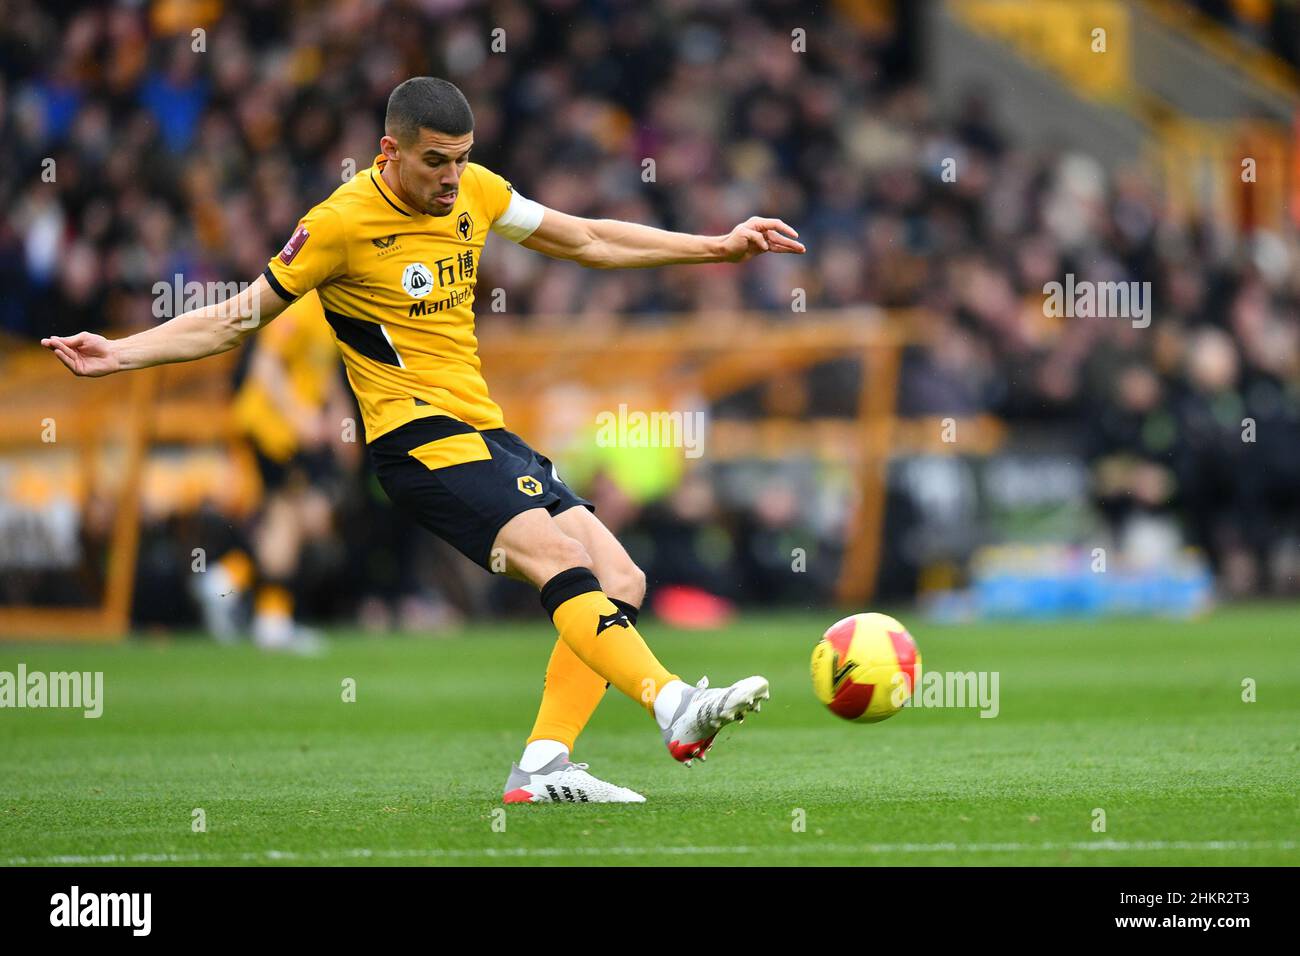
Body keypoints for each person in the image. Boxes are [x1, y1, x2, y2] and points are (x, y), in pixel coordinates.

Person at [41, 76, 805, 804]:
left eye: (461, 158)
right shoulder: (339, 223)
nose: (451, 176)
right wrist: (120, 351)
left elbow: (588, 240)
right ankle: (673, 704)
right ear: (389, 152)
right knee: (561, 560)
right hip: (415, 441)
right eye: (435, 160)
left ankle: (542, 766)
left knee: (623, 578)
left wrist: (716, 247)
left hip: (485, 431)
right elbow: (237, 317)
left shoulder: (476, 191)